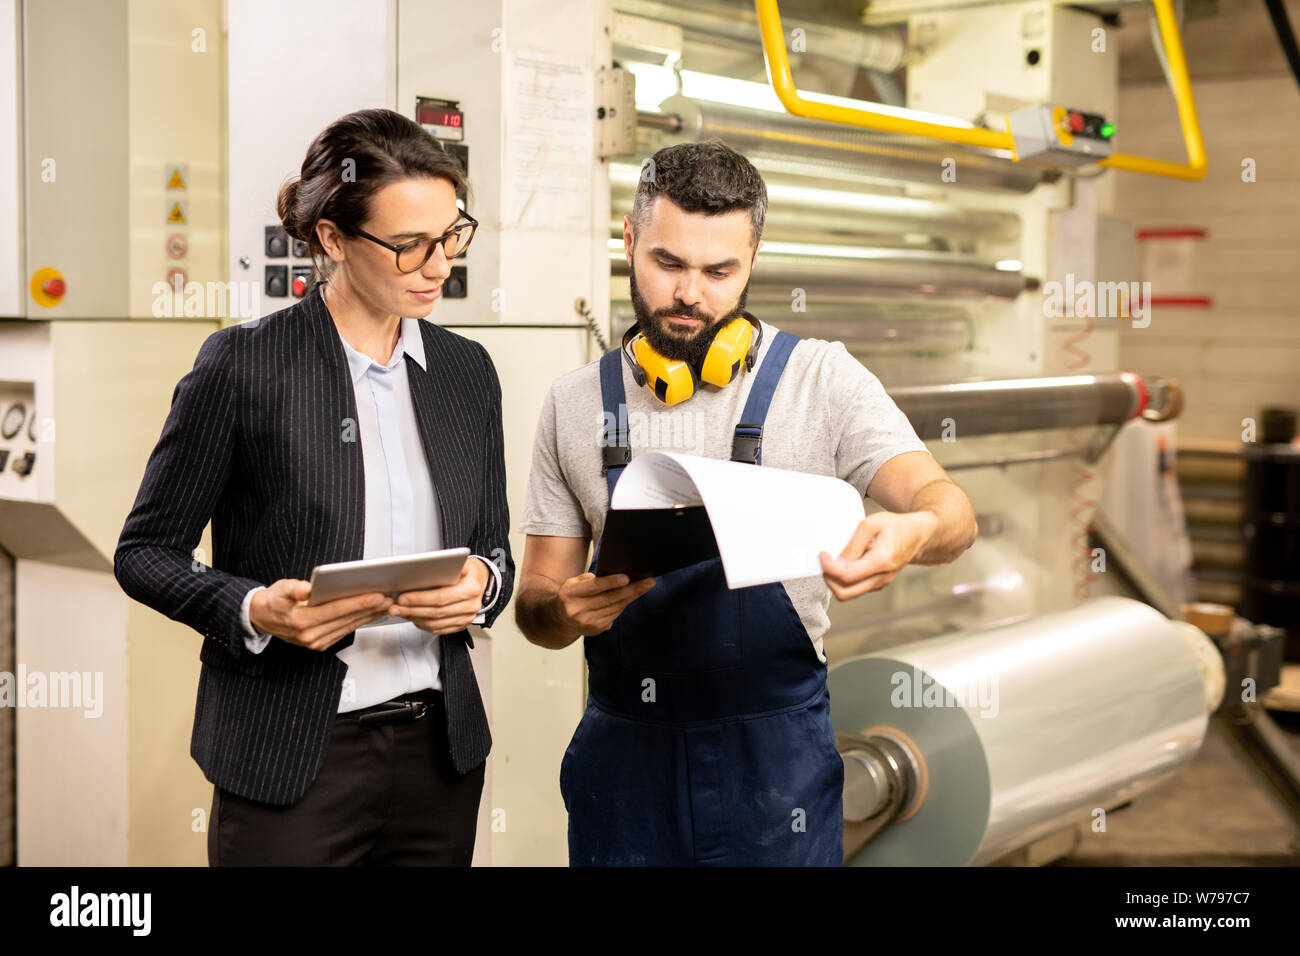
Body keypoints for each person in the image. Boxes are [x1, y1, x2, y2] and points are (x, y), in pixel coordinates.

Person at [514, 140, 977, 866]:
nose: (690, 294)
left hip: (776, 767)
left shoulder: (821, 380)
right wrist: (560, 610)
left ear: (752, 260)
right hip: (625, 766)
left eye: (719, 270)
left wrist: (914, 530)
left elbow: (951, 509)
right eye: (668, 263)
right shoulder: (576, 404)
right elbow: (535, 608)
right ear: (629, 241)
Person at [114, 108, 512, 866]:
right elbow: (145, 553)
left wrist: (483, 584)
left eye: (452, 235)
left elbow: (493, 545)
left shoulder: (467, 374)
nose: (439, 265)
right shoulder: (243, 367)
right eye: (409, 246)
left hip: (440, 756)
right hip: (293, 758)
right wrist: (254, 608)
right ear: (332, 238)